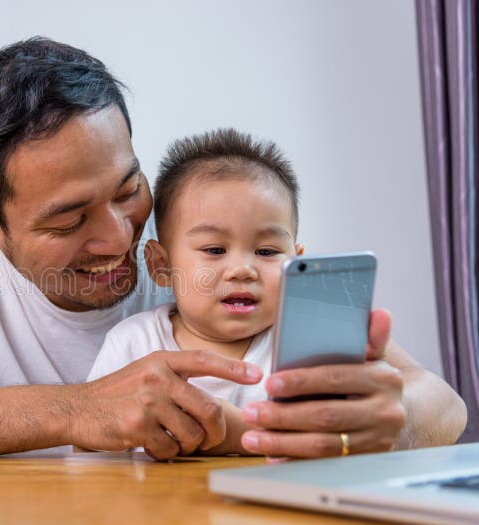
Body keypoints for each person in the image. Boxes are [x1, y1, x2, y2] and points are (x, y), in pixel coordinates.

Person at [0, 37, 466, 461]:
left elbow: (442, 403)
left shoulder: (201, 240)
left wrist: (387, 423)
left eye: (128, 189)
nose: (121, 238)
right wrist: (78, 408)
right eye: (68, 220)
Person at [87, 128, 391, 457]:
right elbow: (90, 451)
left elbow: (345, 436)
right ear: (161, 266)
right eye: (215, 250)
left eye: (266, 252)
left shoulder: (308, 348)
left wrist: (236, 433)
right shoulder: (132, 344)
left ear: (296, 263)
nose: (242, 270)